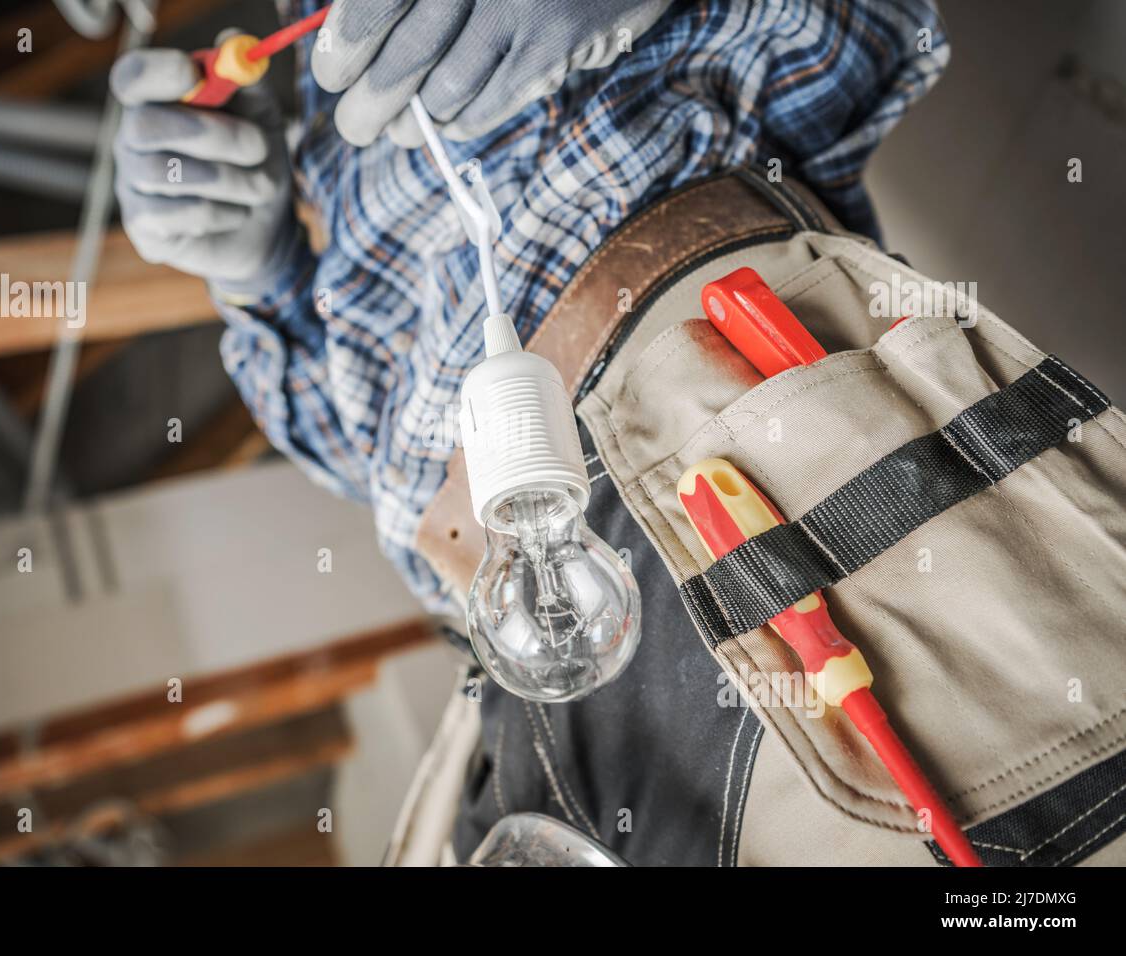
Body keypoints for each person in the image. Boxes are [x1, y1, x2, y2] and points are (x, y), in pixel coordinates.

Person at [111, 0, 953, 864]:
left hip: (704, 452)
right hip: (516, 623)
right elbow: (367, 451)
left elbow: (881, 32)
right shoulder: (320, 61)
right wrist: (265, 276)